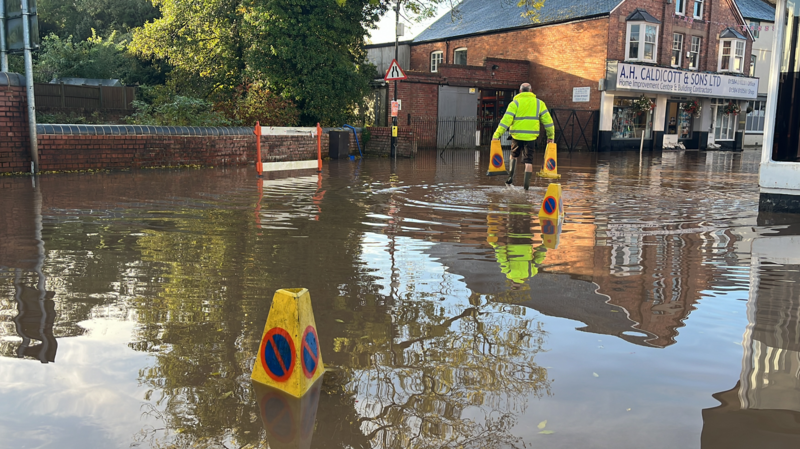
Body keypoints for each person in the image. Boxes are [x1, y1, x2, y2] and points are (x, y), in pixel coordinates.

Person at [492, 83, 555, 190]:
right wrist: (551, 136)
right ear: (531, 91)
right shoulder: (539, 104)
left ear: (520, 91)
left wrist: (496, 135)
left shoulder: (514, 103)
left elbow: (505, 121)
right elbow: (548, 122)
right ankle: (526, 187)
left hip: (516, 136)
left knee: (513, 155)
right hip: (531, 138)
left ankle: (510, 177)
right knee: (528, 161)